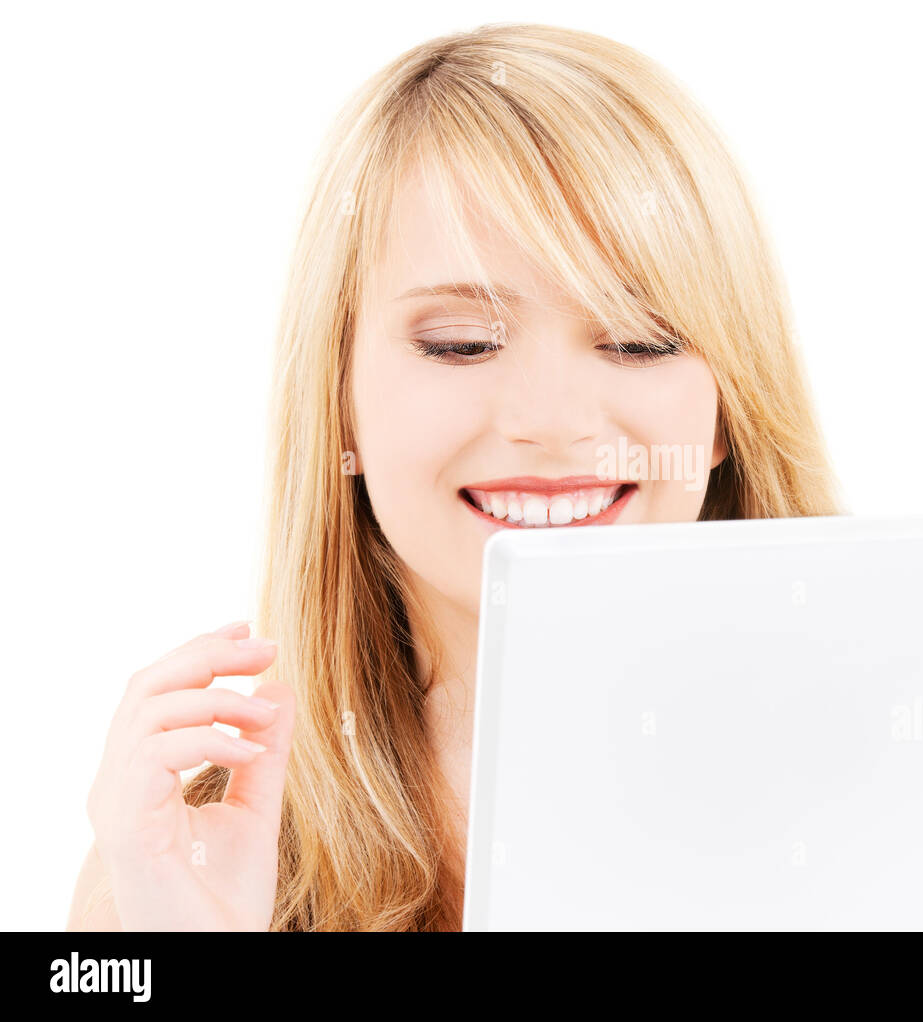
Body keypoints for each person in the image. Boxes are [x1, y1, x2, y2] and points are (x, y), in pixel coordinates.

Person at [68, 22, 842, 931]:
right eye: (460, 344)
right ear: (341, 404)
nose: (552, 422)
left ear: (727, 409)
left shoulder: (887, 782)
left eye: (638, 339)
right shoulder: (184, 857)